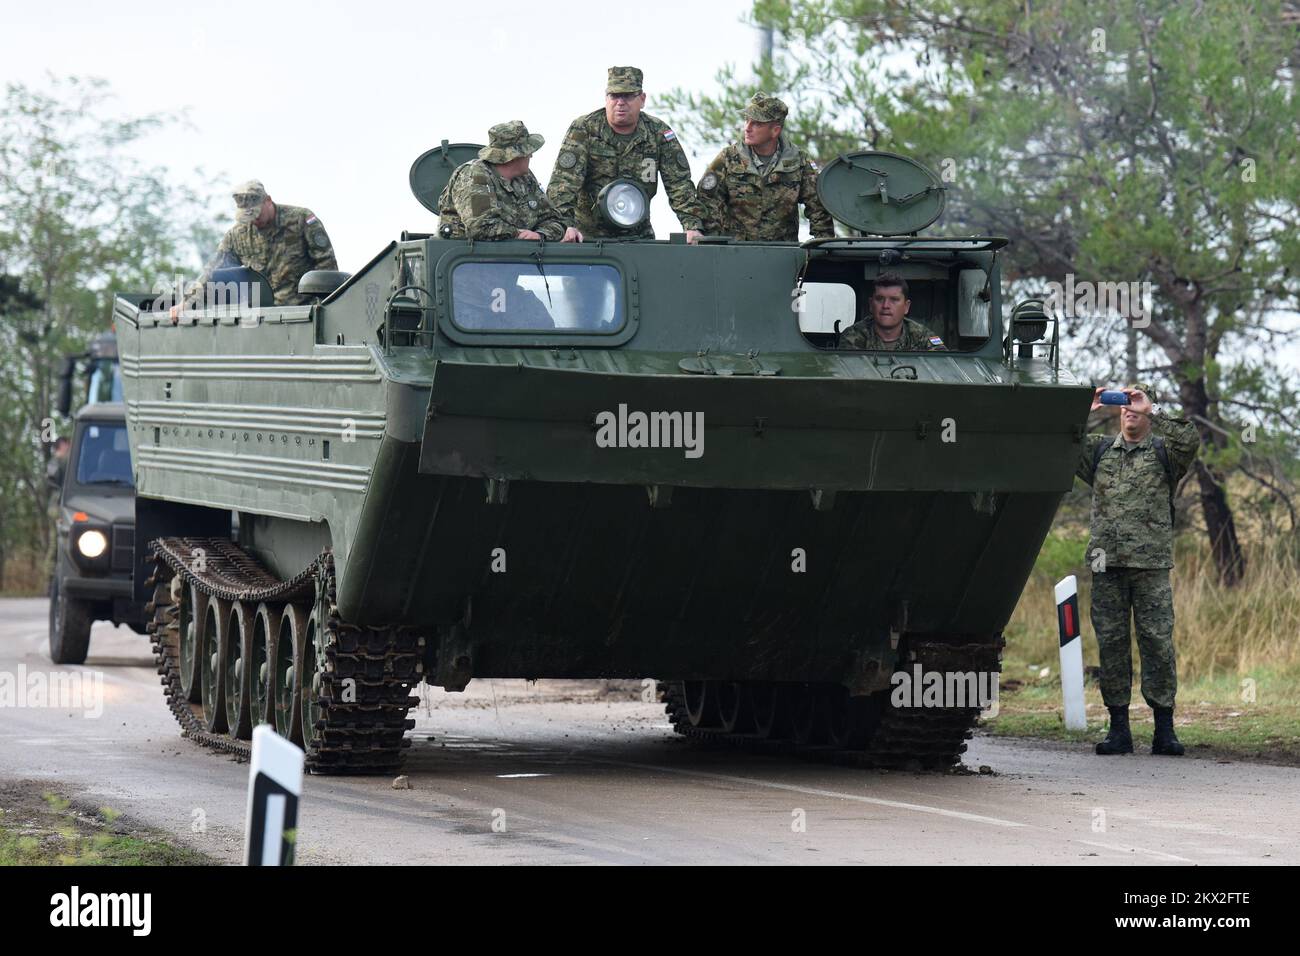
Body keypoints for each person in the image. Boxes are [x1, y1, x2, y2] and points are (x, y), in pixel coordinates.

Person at [1077, 384, 1200, 756]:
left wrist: (1154, 409)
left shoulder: (1165, 452)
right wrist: (1084, 410)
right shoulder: (1100, 449)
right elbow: (1061, 443)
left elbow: (1189, 439)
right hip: (1107, 564)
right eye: (1124, 405)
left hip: (1150, 566)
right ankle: (1119, 730)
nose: (1129, 410)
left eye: (1136, 404)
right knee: (1112, 646)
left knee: (1157, 644)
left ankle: (1164, 730)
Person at [547, 66, 704, 241]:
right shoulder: (585, 129)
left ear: (642, 99)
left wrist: (692, 226)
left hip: (639, 237)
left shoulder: (659, 133)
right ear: (606, 98)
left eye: (628, 96)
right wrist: (563, 226)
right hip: (588, 238)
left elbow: (679, 184)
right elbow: (563, 184)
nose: (620, 102)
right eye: (614, 96)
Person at [696, 93, 835, 241]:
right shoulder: (728, 158)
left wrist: (822, 249)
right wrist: (715, 244)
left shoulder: (799, 161)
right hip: (735, 254)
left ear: (775, 130)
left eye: (756, 123)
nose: (747, 128)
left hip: (782, 254)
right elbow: (707, 200)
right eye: (746, 120)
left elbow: (818, 207)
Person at [186, 180, 337, 308]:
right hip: (261, 321)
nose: (253, 220)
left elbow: (326, 265)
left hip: (302, 317)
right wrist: (187, 302)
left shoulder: (301, 220)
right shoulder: (236, 235)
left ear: (268, 201)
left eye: (256, 214)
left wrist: (324, 308)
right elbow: (212, 270)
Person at [437, 121, 580, 243]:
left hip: (509, 265)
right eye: (527, 151)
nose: (531, 155)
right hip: (467, 264)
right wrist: (519, 235)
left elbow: (555, 221)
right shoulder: (474, 175)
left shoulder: (526, 179)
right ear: (514, 156)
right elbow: (481, 227)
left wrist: (540, 235)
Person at [837, 272, 946, 350]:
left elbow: (942, 367)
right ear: (871, 304)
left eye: (894, 300)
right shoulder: (853, 336)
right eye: (879, 299)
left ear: (906, 307)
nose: (885, 306)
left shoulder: (922, 336)